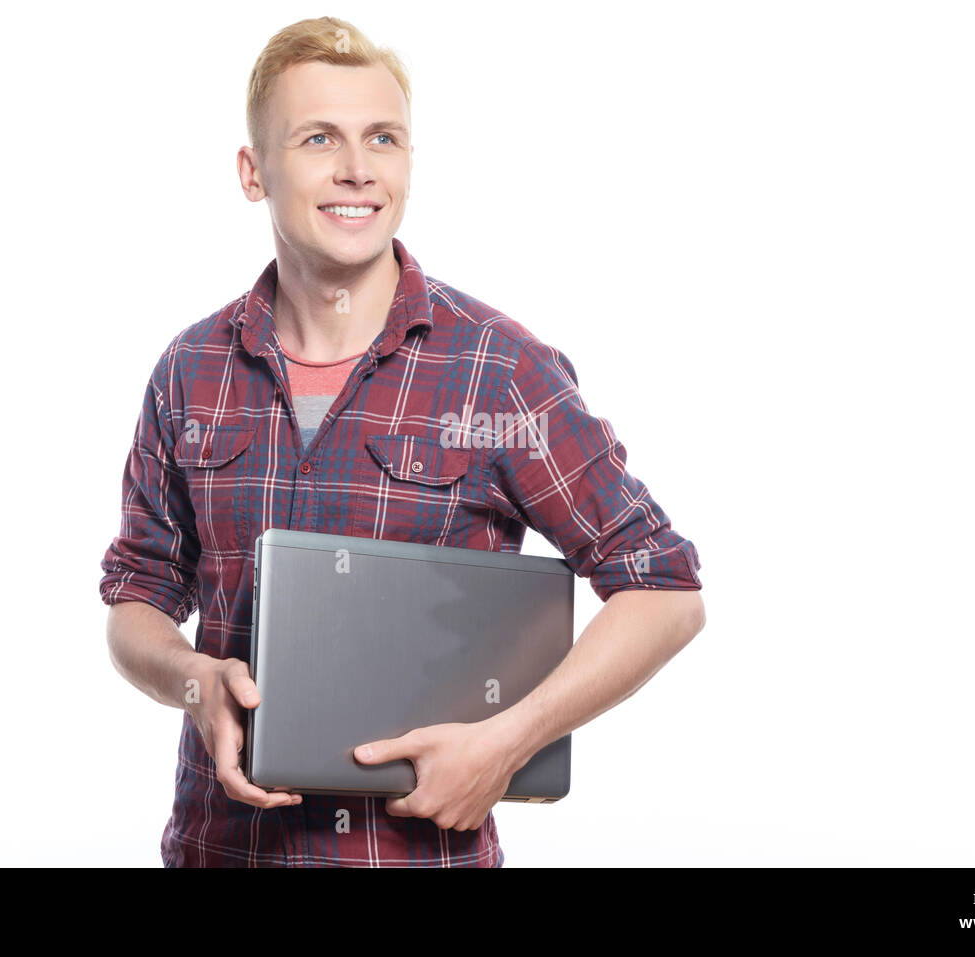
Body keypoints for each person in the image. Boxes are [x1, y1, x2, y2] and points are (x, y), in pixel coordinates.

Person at [99, 16, 705, 868]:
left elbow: (665, 591)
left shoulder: (499, 372)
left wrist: (507, 739)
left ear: (408, 163)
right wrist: (196, 683)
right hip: (214, 852)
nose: (357, 168)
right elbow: (137, 597)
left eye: (382, 138)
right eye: (319, 139)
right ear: (252, 171)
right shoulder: (190, 370)